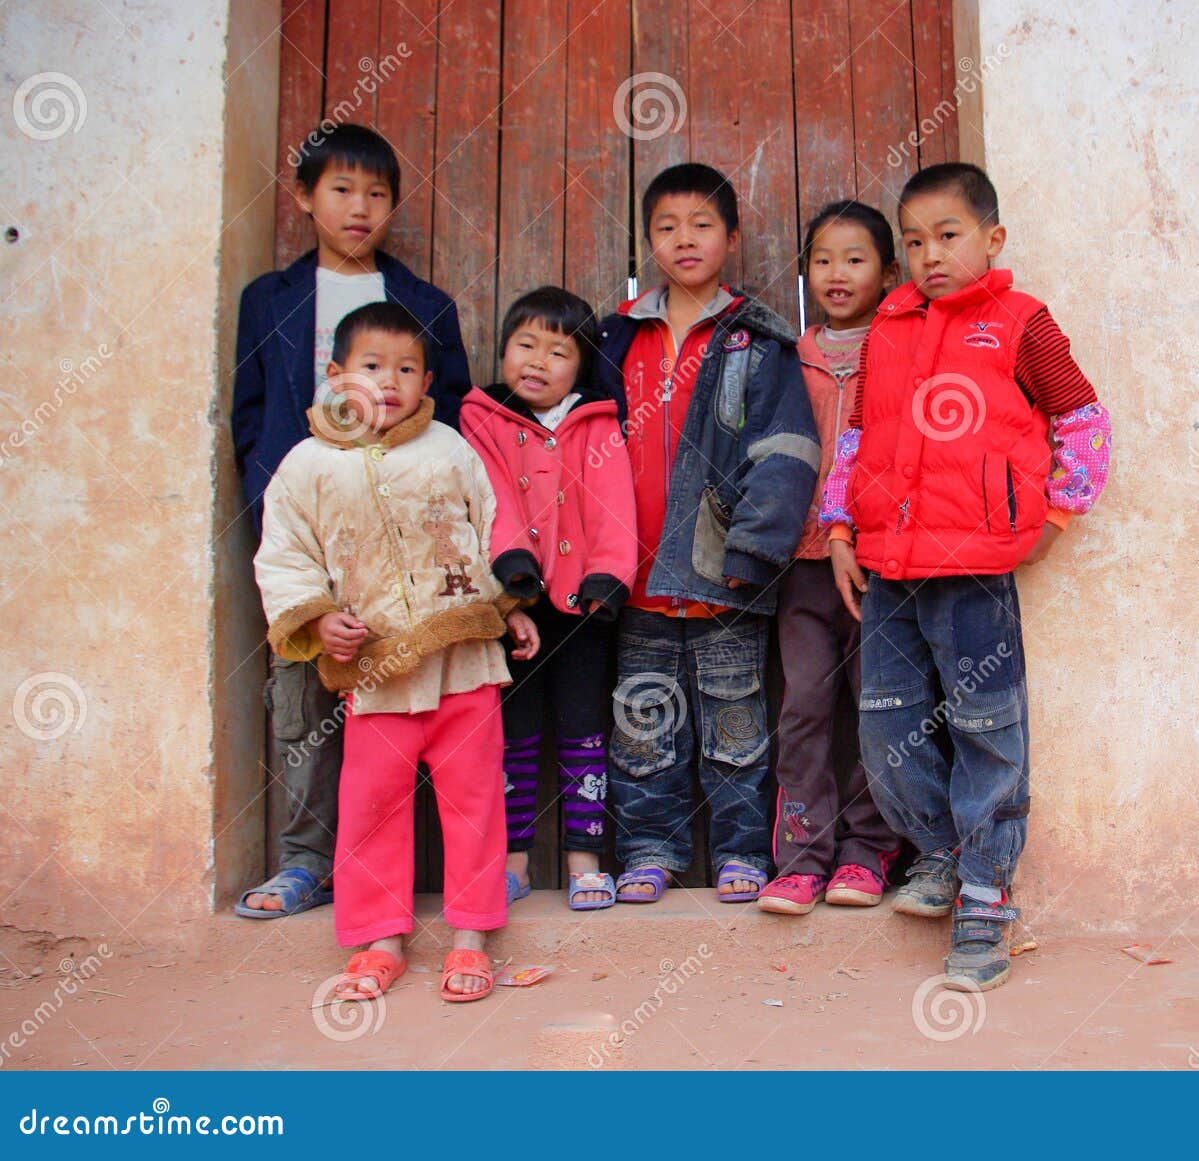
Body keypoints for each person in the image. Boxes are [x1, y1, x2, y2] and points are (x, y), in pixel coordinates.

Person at [821, 163, 1112, 990]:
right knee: (885, 724)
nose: (928, 256)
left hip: (978, 568)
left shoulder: (1020, 322)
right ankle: (942, 855)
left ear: (992, 239)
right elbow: (857, 435)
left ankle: (986, 895)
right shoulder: (889, 327)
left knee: (988, 727)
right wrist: (840, 526)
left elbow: (1082, 417)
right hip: (888, 567)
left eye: (947, 237)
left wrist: (1058, 514)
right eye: (913, 241)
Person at [254, 302, 530, 1002]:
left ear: (427, 379)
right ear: (336, 374)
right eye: (372, 366)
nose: (389, 381)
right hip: (375, 672)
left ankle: (470, 936)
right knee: (371, 803)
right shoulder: (306, 465)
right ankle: (382, 939)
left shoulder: (448, 448)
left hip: (463, 659)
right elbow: (284, 555)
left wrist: (510, 607)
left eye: (406, 368)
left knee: (473, 800)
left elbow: (493, 523)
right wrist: (317, 621)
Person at [231, 123, 471, 919]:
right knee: (302, 697)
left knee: (408, 698)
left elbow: (457, 421)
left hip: (405, 540)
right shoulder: (268, 298)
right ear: (304, 198)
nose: (359, 207)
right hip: (307, 528)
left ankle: (398, 877)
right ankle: (304, 860)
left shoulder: (425, 305)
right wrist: (275, 505)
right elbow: (250, 414)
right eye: (340, 189)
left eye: (375, 193)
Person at [595, 162, 819, 904]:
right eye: (666, 227)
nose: (684, 239)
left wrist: (753, 549)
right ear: (648, 243)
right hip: (636, 578)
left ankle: (741, 851)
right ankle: (650, 850)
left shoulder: (756, 340)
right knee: (643, 725)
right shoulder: (616, 337)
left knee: (736, 724)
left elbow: (786, 452)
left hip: (724, 571)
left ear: (731, 236)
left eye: (701, 224)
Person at [461, 287, 638, 911]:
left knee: (585, 731)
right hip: (517, 606)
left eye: (557, 351)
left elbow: (615, 504)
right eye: (525, 344)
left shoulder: (596, 421)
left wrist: (609, 576)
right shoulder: (480, 419)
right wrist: (513, 568)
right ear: (503, 349)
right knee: (514, 734)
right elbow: (489, 500)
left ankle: (585, 859)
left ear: (580, 365)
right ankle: (514, 860)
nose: (537, 360)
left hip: (583, 609)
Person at [758, 201, 901, 916]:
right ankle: (803, 855)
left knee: (878, 707)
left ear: (887, 272)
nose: (836, 273)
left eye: (855, 258)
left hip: (881, 564)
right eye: (822, 259)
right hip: (803, 565)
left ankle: (867, 849)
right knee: (805, 706)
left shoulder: (901, 349)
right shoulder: (788, 356)